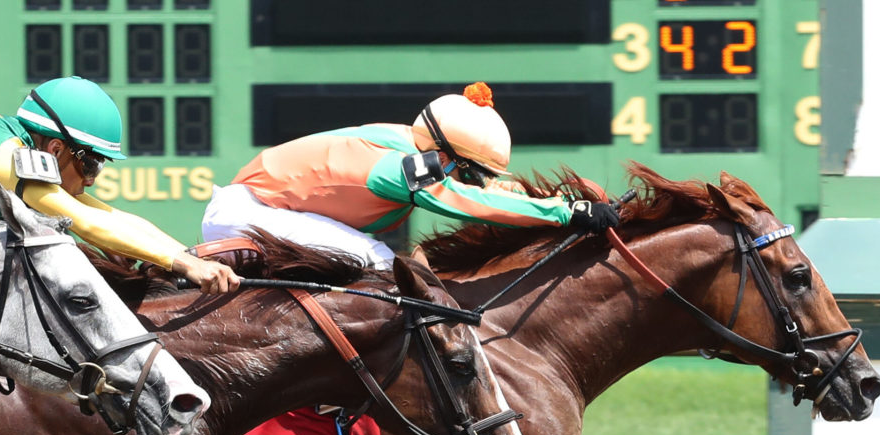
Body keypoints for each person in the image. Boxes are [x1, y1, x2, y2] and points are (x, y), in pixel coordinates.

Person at [0, 75, 237, 418]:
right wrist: (181, 265)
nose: (91, 181)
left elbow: (106, 213)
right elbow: (85, 221)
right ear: (57, 148)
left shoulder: (15, 144)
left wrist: (190, 257)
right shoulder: (5, 159)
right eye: (91, 165)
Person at [200, 82, 620, 268]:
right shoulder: (396, 169)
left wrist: (562, 203)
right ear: (442, 152)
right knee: (381, 264)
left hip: (263, 210)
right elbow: (467, 201)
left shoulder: (410, 139)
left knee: (392, 263)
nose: (469, 178)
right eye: (466, 169)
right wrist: (568, 215)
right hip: (249, 217)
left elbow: (484, 187)